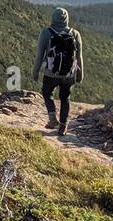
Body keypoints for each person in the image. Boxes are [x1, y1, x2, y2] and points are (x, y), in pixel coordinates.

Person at [32, 7, 83, 136]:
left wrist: (36, 71)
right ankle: (63, 126)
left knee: (47, 92)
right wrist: (80, 74)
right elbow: (79, 56)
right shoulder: (75, 34)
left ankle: (52, 117)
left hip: (50, 73)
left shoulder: (46, 33)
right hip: (69, 74)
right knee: (65, 98)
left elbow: (39, 55)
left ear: (53, 18)